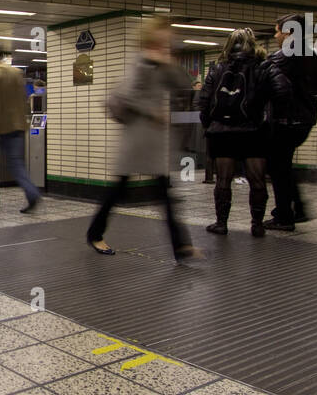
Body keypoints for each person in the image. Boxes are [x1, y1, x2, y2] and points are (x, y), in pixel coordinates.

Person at [88, 18, 201, 261]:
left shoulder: (162, 63)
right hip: (137, 138)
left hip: (154, 140)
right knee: (119, 191)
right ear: (152, 36)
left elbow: (184, 85)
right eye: (164, 35)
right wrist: (153, 112)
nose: (168, 39)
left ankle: (181, 246)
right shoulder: (140, 62)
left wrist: (170, 63)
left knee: (163, 192)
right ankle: (95, 233)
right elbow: (128, 95)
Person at [196, 28, 290, 237]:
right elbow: (283, 91)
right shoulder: (264, 67)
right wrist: (271, 118)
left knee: (223, 180)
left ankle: (221, 223)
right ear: (253, 44)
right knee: (257, 180)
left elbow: (203, 99)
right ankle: (257, 224)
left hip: (222, 132)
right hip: (254, 131)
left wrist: (209, 125)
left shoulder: (217, 68)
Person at [264, 13, 317, 230]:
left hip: (286, 120)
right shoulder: (315, 56)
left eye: (277, 30)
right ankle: (298, 208)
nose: (275, 35)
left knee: (277, 167)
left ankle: (284, 216)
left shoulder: (286, 56)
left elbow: (264, 72)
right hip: (305, 120)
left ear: (290, 32)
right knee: (284, 165)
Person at [0, 45, 41, 213]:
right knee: (16, 163)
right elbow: (24, 99)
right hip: (16, 125)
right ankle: (32, 192)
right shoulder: (16, 72)